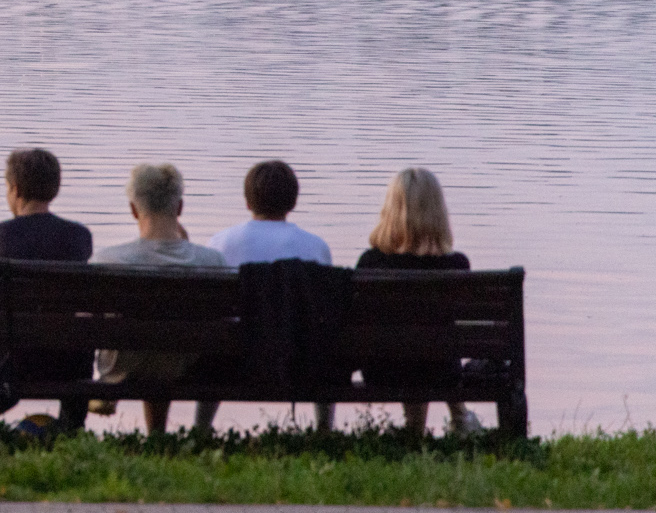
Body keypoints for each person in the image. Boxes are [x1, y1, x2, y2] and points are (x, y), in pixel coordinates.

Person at [0, 147, 92, 428]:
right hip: (66, 360)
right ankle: (71, 427)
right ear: (54, 189)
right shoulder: (79, 237)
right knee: (78, 337)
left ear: (16, 189)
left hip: (9, 363)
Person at [94, 164, 228, 435]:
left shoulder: (108, 261)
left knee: (140, 337)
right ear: (179, 208)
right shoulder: (212, 262)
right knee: (167, 341)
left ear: (133, 210)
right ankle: (157, 435)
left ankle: (112, 394)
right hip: (184, 364)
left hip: (123, 365)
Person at [206, 159, 336, 429]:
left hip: (229, 361)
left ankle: (200, 428)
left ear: (248, 202)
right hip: (299, 361)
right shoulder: (315, 247)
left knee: (216, 338)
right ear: (293, 202)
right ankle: (325, 429)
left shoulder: (220, 243)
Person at [356, 167, 478, 434]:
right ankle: (455, 419)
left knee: (410, 344)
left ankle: (415, 430)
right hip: (440, 373)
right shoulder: (456, 265)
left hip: (382, 373)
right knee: (432, 345)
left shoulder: (370, 263)